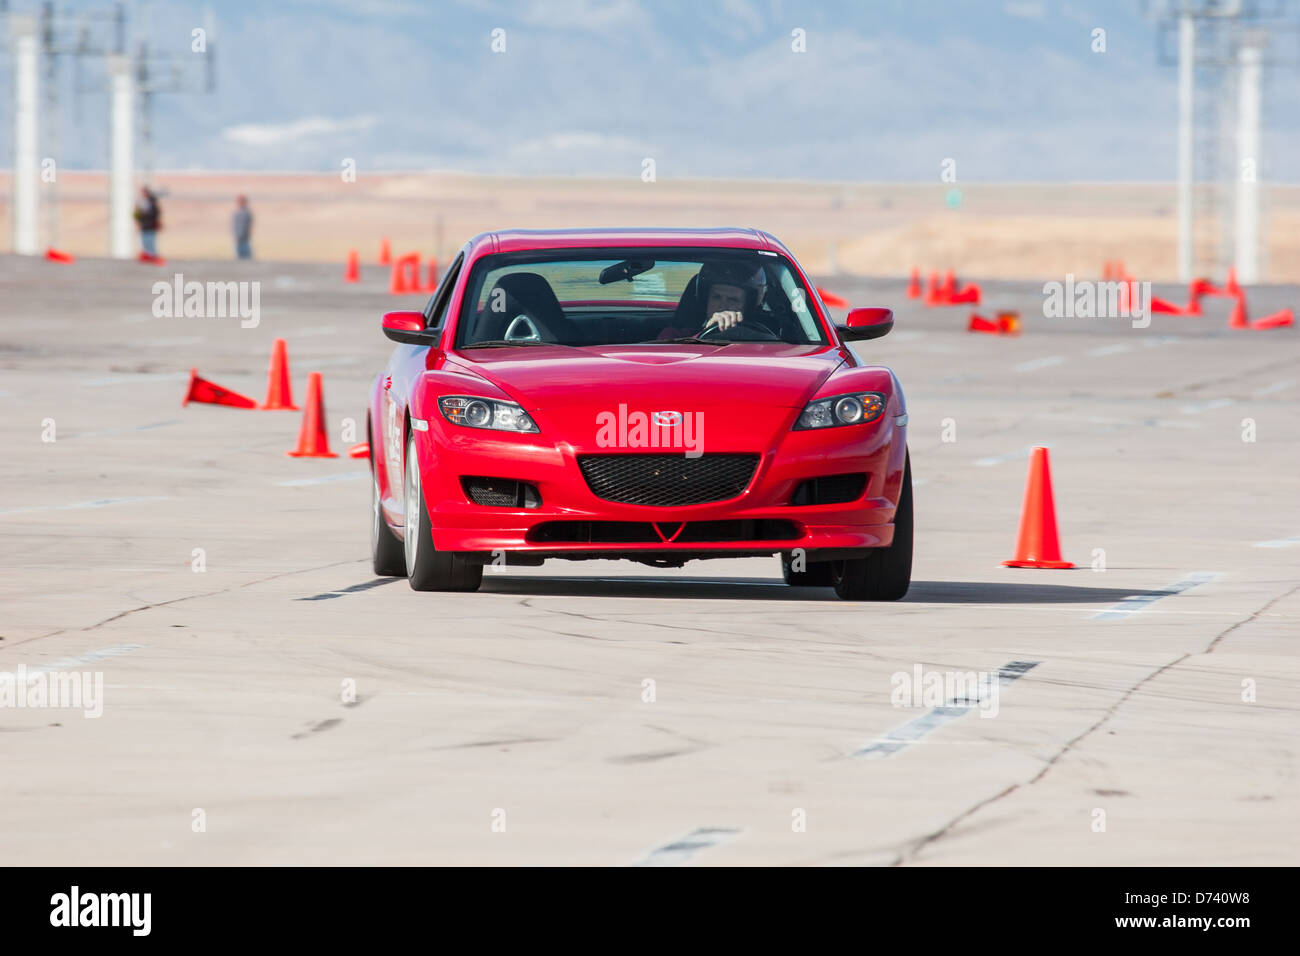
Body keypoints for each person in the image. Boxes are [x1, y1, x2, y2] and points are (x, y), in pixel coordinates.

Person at [658, 260, 767, 339]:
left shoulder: (765, 339)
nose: (723, 306)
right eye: (717, 297)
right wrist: (704, 334)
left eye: (733, 300)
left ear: (746, 305)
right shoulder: (674, 335)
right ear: (706, 299)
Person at [133, 186, 161, 258]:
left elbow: (156, 213)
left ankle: (152, 256)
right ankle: (147, 256)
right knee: (145, 241)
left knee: (150, 241)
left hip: (151, 225)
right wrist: (137, 222)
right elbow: (136, 213)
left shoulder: (152, 201)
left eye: (144, 192)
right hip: (144, 225)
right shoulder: (140, 202)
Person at [232, 194, 253, 260]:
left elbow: (246, 226)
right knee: (240, 257)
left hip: (244, 239)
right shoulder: (237, 213)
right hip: (239, 239)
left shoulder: (246, 213)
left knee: (246, 257)